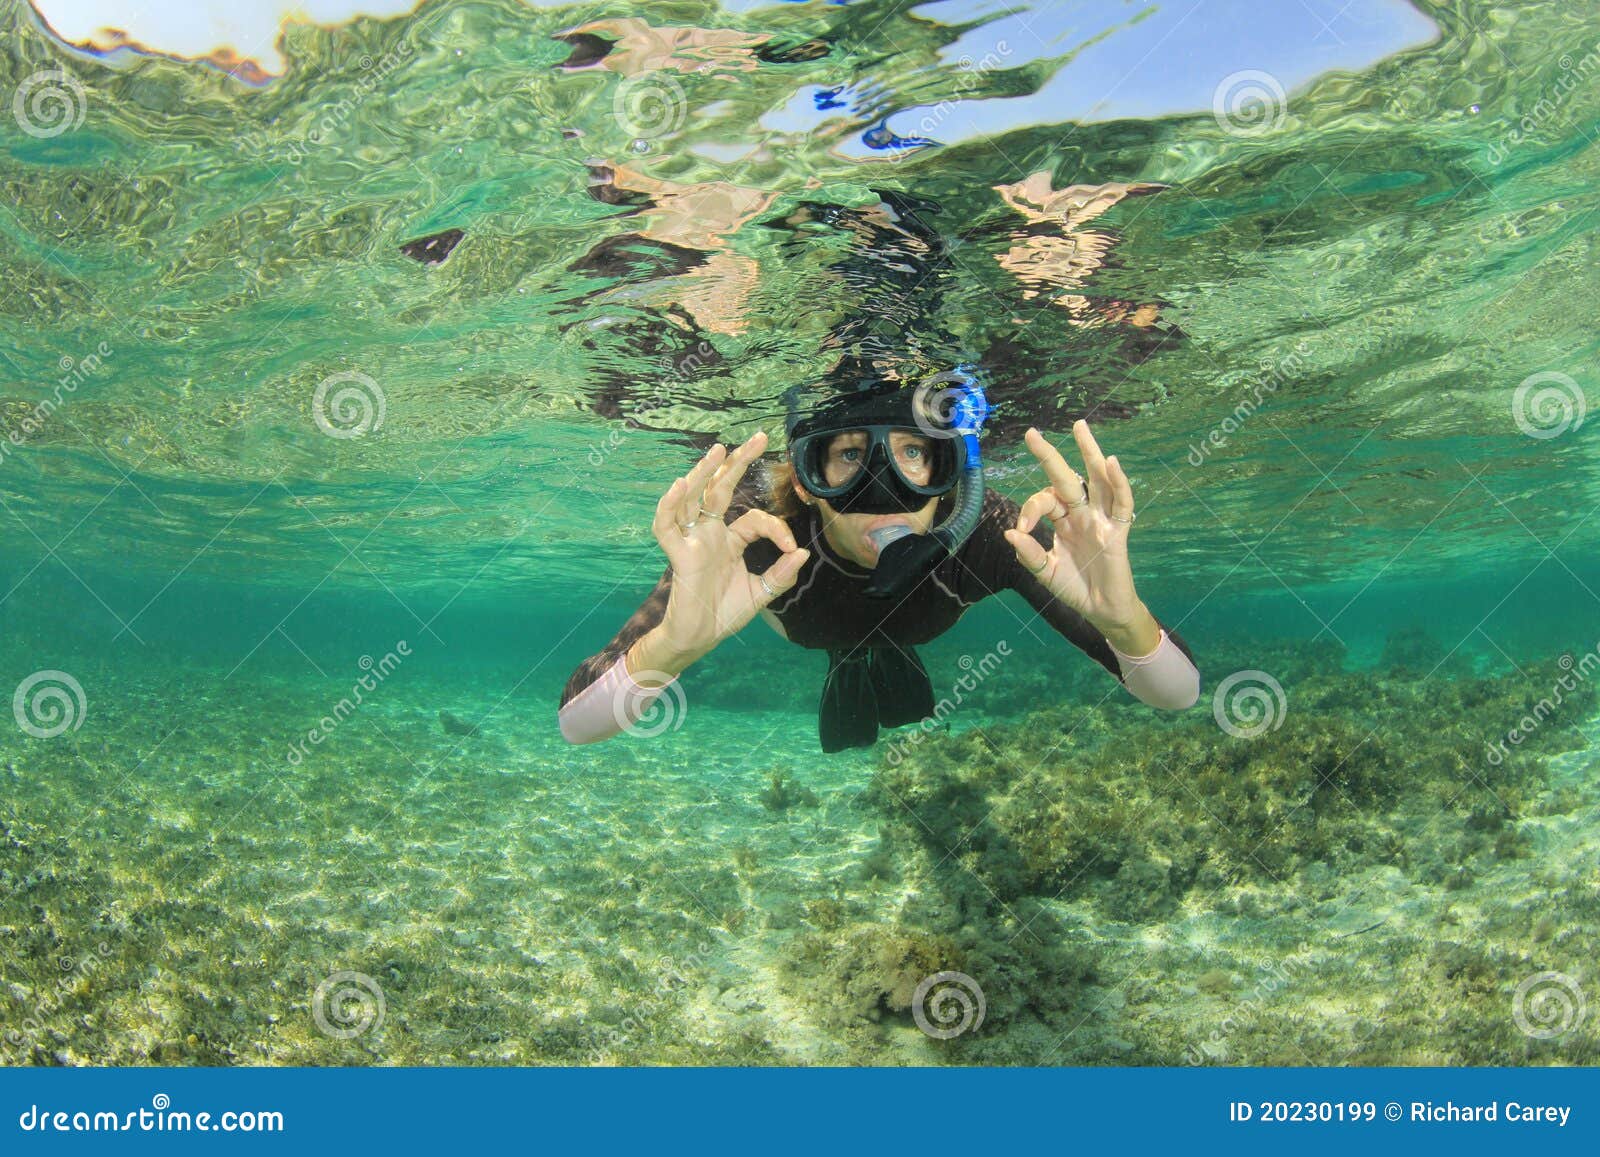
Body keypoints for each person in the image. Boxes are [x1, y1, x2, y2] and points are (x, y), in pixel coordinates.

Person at [558, 371, 1199, 751]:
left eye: (914, 457)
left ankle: (863, 656)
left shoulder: (999, 532)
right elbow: (577, 724)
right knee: (848, 645)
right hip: (820, 630)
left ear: (950, 476)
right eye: (847, 457)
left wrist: (1124, 621)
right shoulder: (753, 535)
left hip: (893, 627)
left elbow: (1178, 694)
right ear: (806, 480)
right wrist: (667, 649)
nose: (884, 492)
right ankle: (852, 658)